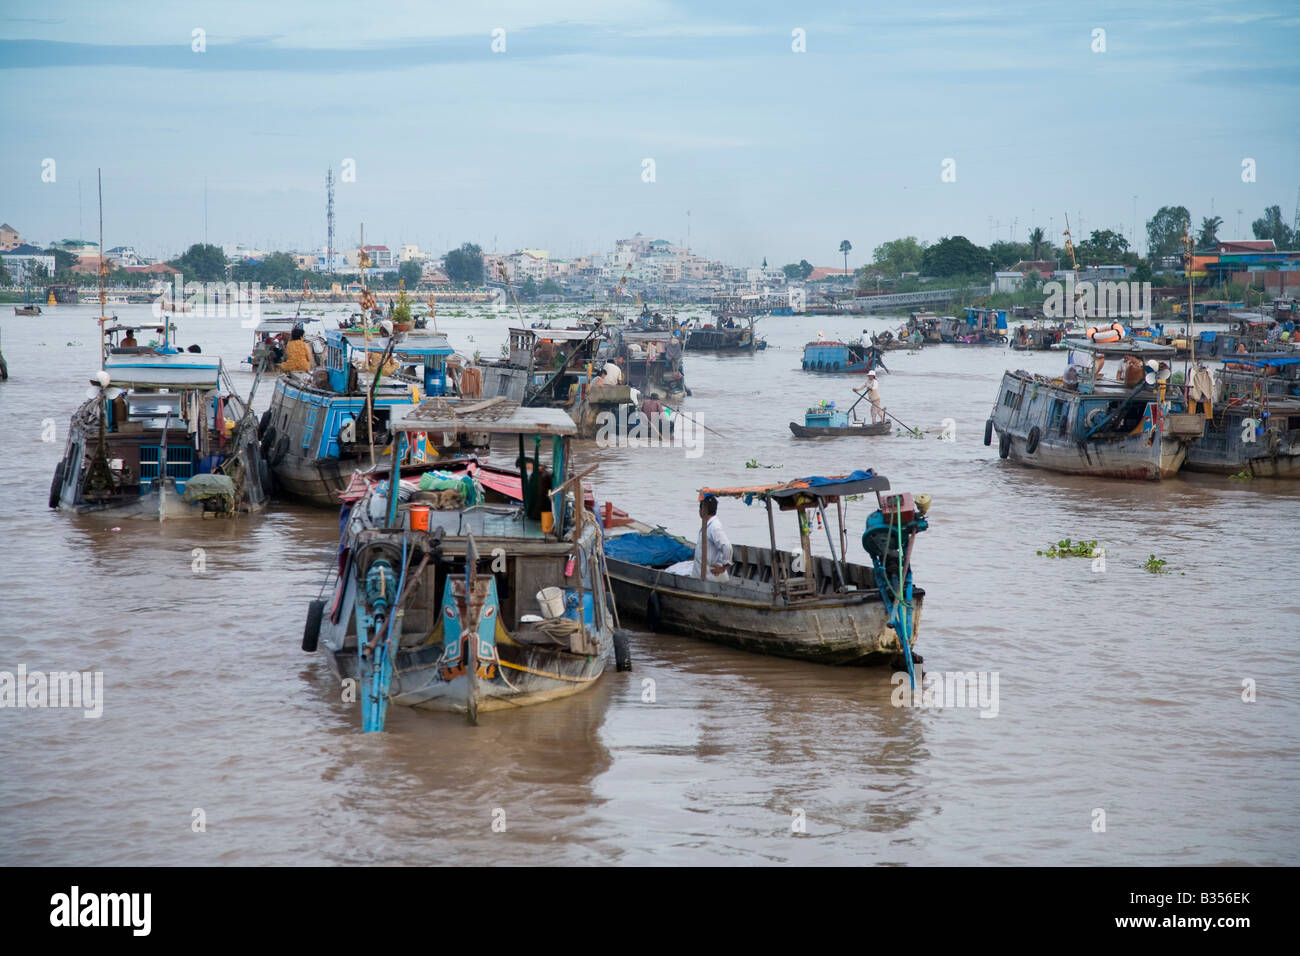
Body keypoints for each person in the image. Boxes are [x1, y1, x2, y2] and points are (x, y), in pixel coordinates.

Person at [668, 495, 732, 581]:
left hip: (710, 578)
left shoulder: (714, 527)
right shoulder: (708, 525)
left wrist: (723, 568)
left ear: (702, 511)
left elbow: (727, 547)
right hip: (701, 574)